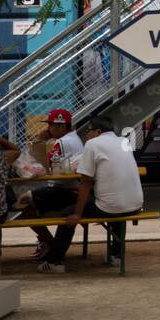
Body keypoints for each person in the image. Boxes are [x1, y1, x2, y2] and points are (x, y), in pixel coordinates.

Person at [37, 115, 144, 273]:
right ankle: (117, 255)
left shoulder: (93, 144)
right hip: (135, 204)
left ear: (98, 131)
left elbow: (85, 183)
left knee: (69, 212)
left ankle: (55, 261)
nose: (86, 135)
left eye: (88, 131)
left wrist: (77, 214)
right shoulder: (124, 141)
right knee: (113, 202)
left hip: (110, 207)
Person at [26, 108, 85, 258]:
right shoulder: (74, 138)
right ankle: (47, 243)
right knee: (28, 201)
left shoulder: (63, 142)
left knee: (24, 206)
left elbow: (50, 168)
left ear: (62, 126)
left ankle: (51, 246)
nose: (48, 128)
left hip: (66, 191)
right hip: (71, 189)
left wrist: (41, 141)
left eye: (51, 125)